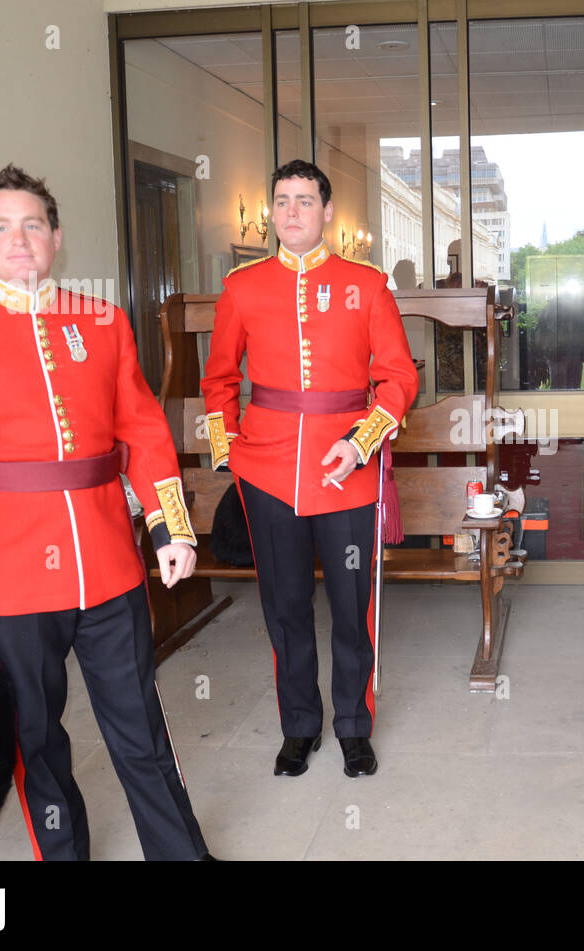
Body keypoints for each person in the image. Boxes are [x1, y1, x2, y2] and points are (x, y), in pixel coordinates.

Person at [0, 164, 210, 861]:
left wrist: (169, 525)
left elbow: (144, 430)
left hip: (107, 565)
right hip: (8, 581)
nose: (18, 239)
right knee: (35, 741)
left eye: (32, 224)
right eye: (1, 226)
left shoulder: (103, 322)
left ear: (56, 236)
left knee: (140, 730)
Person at [201, 159, 418, 778]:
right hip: (267, 471)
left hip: (346, 465)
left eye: (304, 200)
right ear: (271, 212)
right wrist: (230, 450)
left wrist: (362, 442)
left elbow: (398, 378)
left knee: (351, 610)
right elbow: (218, 379)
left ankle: (353, 726)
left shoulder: (367, 283)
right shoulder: (241, 288)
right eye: (282, 200)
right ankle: (299, 727)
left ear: (327, 212)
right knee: (286, 608)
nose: (292, 211)